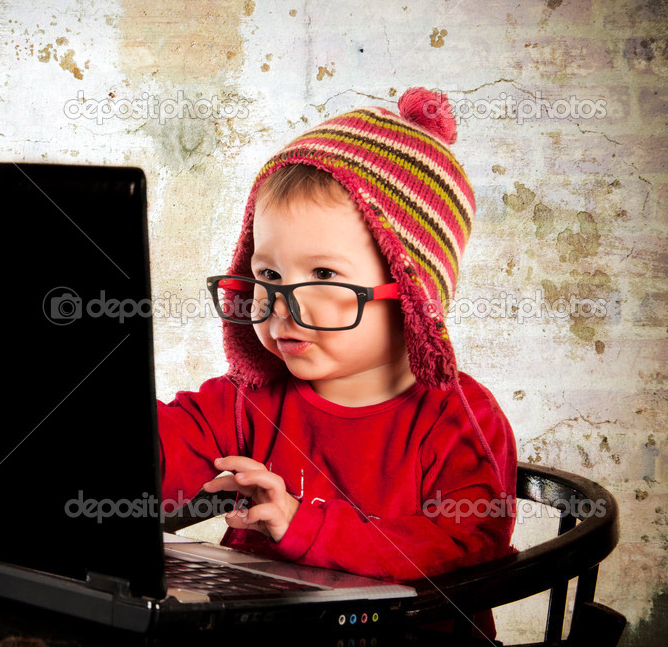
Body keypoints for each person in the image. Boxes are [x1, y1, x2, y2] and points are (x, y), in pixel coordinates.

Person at [158, 88, 517, 598]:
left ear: (411, 292)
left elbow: (465, 546)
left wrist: (306, 527)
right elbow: (163, 444)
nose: (281, 304)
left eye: (323, 273)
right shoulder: (247, 401)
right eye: (269, 273)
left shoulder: (458, 419)